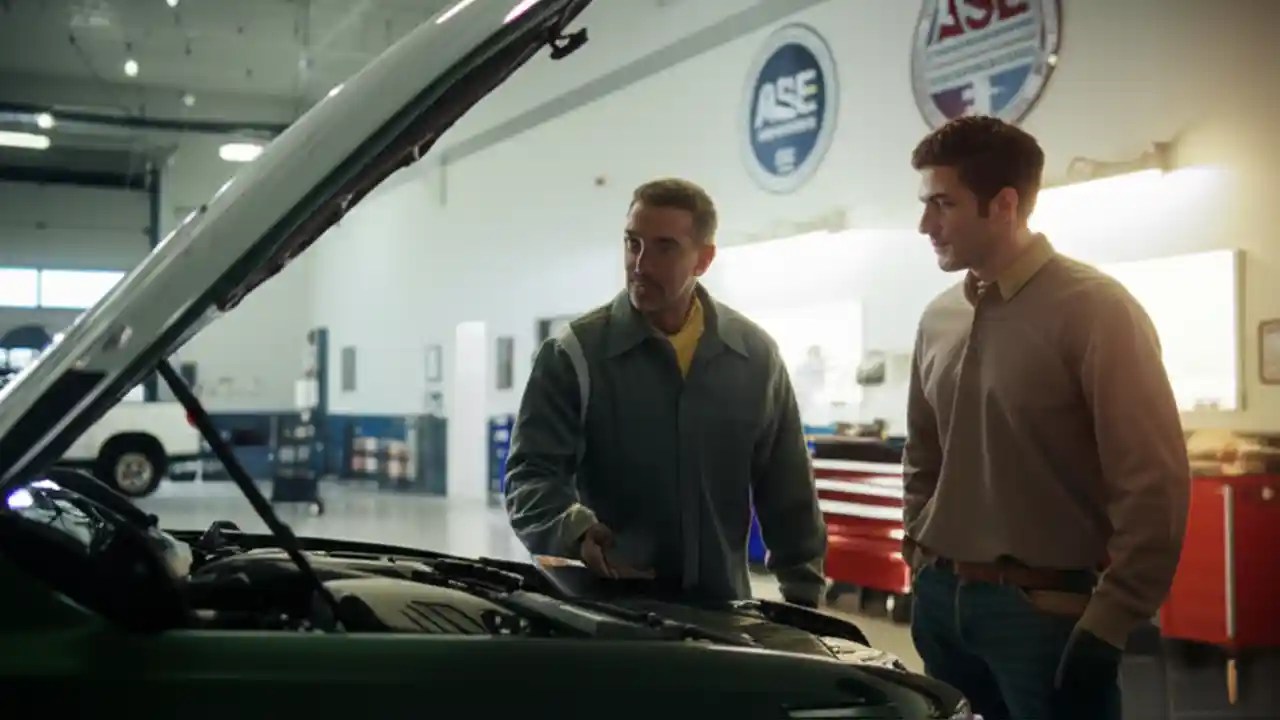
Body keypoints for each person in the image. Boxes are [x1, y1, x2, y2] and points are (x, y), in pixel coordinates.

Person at [901, 116, 1190, 720]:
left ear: (1004, 204)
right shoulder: (938, 318)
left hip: (1044, 615)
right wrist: (920, 558)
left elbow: (1151, 482)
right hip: (941, 603)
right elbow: (923, 454)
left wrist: (1109, 621)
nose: (925, 224)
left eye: (942, 204)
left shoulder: (1096, 310)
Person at [504, 177, 827, 608]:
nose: (640, 263)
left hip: (723, 615)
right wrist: (576, 532)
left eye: (664, 247)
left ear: (704, 259)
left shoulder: (754, 358)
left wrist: (802, 600)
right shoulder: (575, 355)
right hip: (610, 616)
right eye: (632, 243)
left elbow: (789, 491)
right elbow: (529, 478)